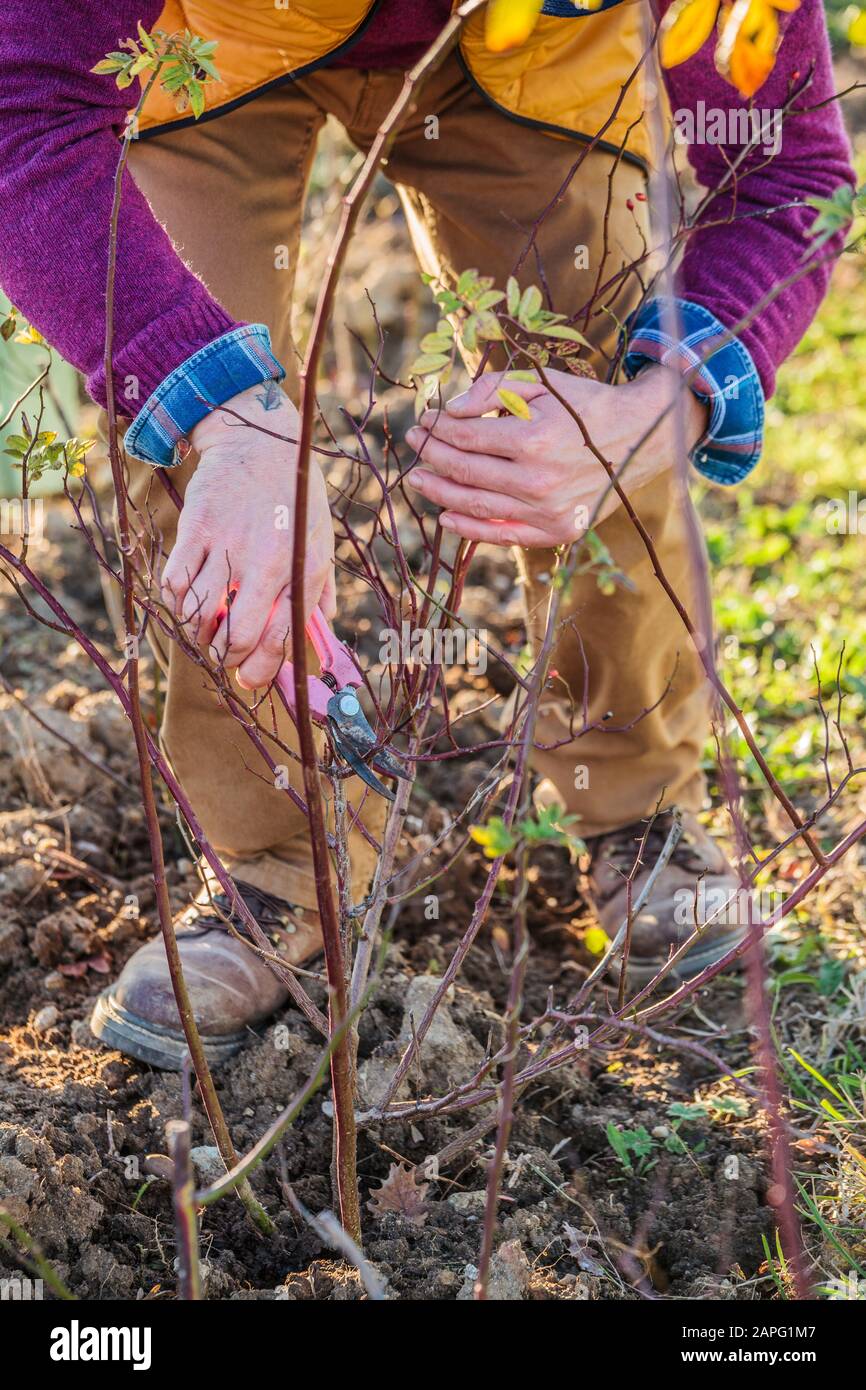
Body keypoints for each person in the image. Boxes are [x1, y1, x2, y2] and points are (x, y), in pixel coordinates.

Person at [0, 1, 853, 1069]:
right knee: (185, 425)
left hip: (528, 61)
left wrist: (651, 413)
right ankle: (280, 861)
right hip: (224, 40)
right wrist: (222, 411)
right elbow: (23, 104)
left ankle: (635, 807)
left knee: (590, 340)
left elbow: (787, 172)